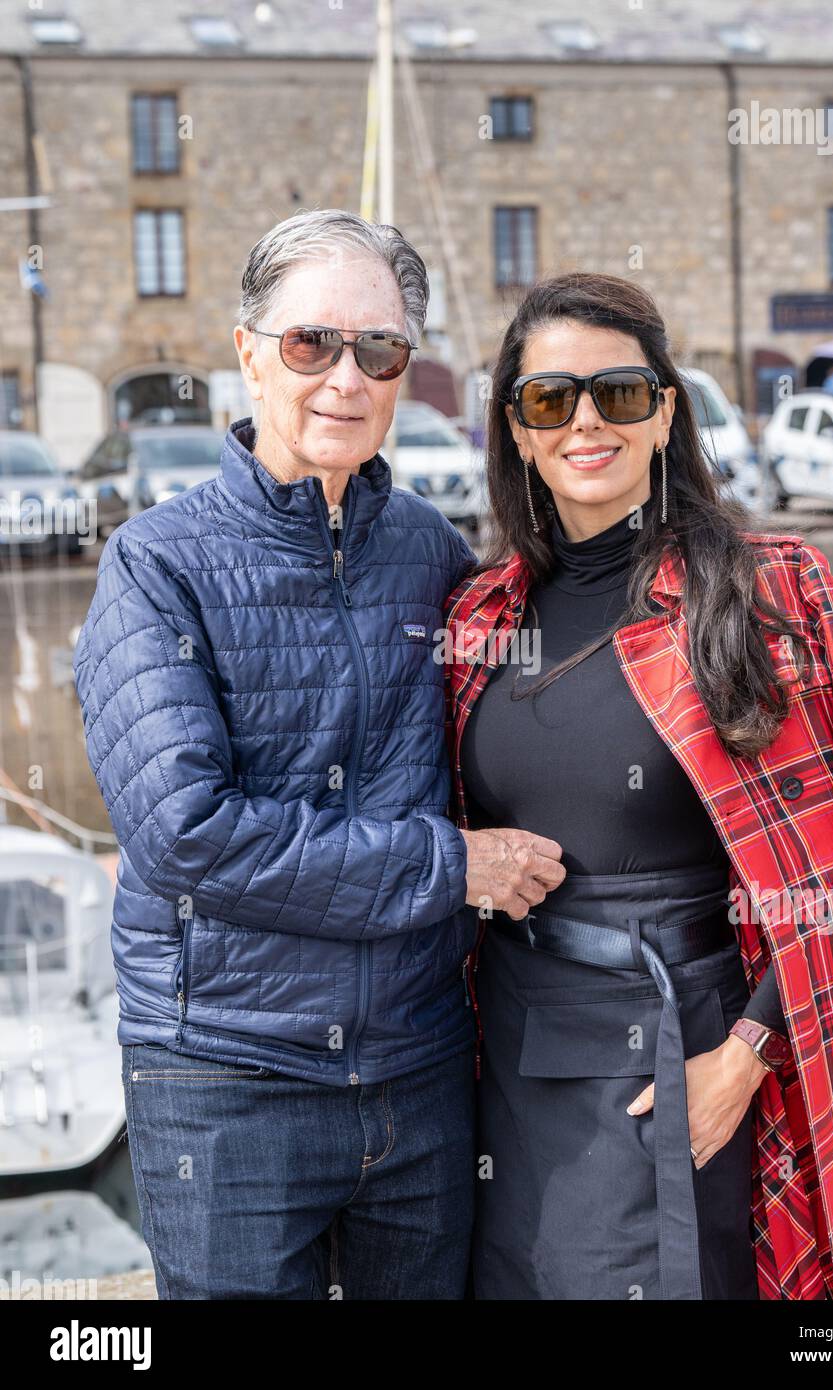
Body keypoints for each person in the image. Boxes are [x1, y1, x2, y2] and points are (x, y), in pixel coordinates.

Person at [443, 272, 833, 1300]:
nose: (585, 421)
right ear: (515, 427)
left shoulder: (777, 592)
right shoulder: (475, 619)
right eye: (550, 399)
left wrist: (748, 1053)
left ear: (667, 411)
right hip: (507, 1059)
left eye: (620, 393)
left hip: (692, 1049)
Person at [73, 209, 564, 1300]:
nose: (346, 377)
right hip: (227, 1076)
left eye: (378, 350)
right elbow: (186, 835)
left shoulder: (436, 558)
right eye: (311, 344)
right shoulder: (157, 569)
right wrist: (454, 867)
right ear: (248, 352)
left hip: (419, 1066)